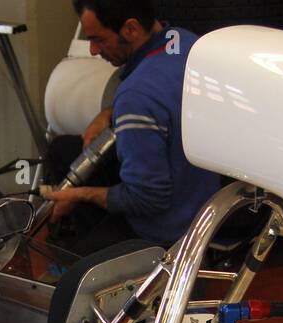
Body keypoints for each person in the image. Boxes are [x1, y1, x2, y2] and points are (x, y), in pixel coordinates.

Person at [49, 1, 222, 252]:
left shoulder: (136, 97)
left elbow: (147, 199)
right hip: (208, 197)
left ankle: (96, 255)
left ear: (130, 29)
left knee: (77, 273)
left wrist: (79, 195)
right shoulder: (183, 41)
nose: (94, 50)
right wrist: (109, 113)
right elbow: (163, 94)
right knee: (63, 150)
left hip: (171, 231)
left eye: (98, 39)